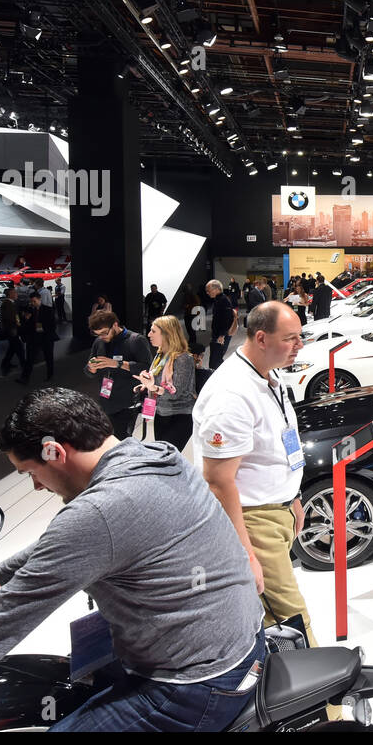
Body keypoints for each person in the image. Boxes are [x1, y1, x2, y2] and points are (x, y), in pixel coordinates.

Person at [0, 387, 265, 733]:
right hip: (238, 641)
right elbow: (75, 542)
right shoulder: (156, 456)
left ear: (53, 451)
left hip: (197, 683)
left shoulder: (99, 512)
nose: (34, 486)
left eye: (29, 471)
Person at [193, 301, 327, 659]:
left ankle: (282, 702)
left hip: (276, 511)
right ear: (262, 338)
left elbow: (279, 446)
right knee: (293, 619)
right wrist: (246, 552)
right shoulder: (231, 394)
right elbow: (218, 481)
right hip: (253, 520)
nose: (300, 344)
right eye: (291, 338)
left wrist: (294, 498)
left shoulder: (270, 374)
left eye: (301, 336)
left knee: (269, 622)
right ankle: (328, 709)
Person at [85, 310, 154, 437]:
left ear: (115, 325)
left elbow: (146, 369)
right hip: (105, 402)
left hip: (127, 403)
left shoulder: (136, 340)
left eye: (105, 332)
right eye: (97, 334)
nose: (102, 336)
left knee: (120, 442)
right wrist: (91, 368)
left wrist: (118, 364)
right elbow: (88, 371)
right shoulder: (99, 342)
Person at [135, 315, 197, 453]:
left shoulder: (183, 359)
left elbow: (176, 393)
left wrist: (153, 387)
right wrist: (146, 384)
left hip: (180, 416)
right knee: (162, 456)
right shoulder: (160, 355)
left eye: (153, 331)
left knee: (167, 457)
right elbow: (157, 382)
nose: (149, 334)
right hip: (162, 413)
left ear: (167, 334)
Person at [18, 292, 58, 384]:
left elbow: (52, 324)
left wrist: (43, 328)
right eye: (31, 301)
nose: (32, 303)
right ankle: (25, 378)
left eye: (34, 301)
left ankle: (50, 375)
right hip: (34, 337)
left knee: (49, 357)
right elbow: (25, 324)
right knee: (30, 358)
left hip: (46, 337)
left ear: (39, 299)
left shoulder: (48, 309)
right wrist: (26, 318)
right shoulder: (30, 309)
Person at [205, 280, 236, 369]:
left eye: (209, 290)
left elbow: (226, 319)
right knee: (216, 358)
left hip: (221, 335)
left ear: (217, 289)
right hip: (218, 334)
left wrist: (222, 335)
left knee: (215, 360)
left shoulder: (223, 300)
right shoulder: (219, 299)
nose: (207, 292)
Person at [0, 286, 26, 376]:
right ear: (10, 294)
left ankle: (5, 363)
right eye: (14, 293)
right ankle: (24, 364)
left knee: (13, 347)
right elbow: (9, 318)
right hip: (11, 329)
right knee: (19, 347)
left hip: (13, 329)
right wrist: (14, 327)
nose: (16, 294)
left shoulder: (11, 303)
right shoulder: (7, 304)